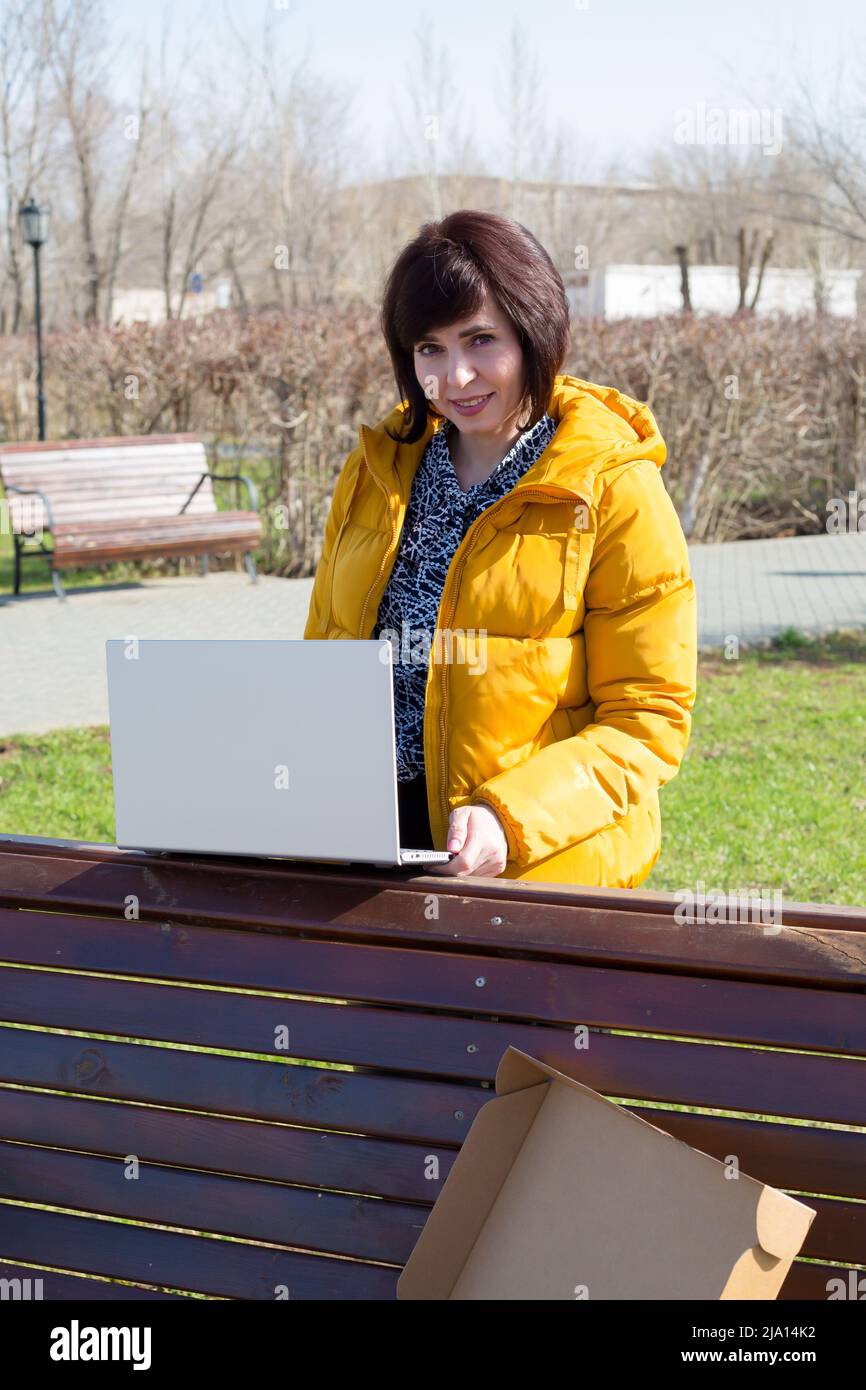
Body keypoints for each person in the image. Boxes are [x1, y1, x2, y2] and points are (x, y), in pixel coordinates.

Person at [304, 209, 697, 885]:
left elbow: (646, 720)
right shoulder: (376, 471)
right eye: (429, 349)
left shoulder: (610, 486)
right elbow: (318, 666)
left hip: (535, 869)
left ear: (533, 331)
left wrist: (507, 820)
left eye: (480, 339)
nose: (455, 377)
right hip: (366, 856)